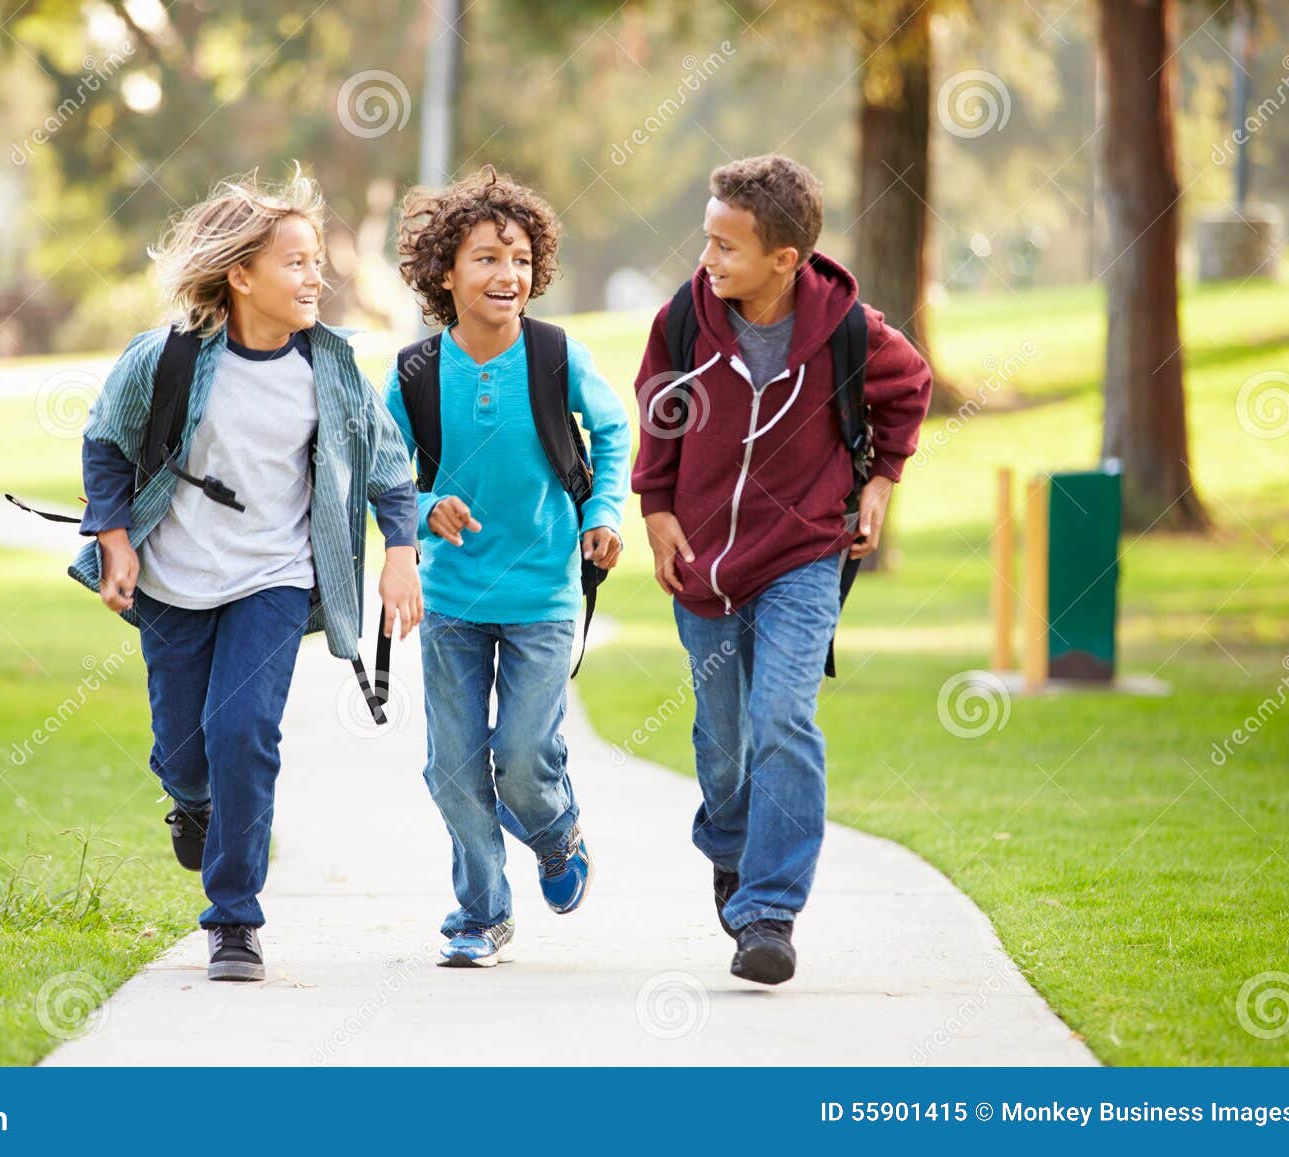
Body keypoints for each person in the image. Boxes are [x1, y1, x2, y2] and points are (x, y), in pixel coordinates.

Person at [69, 168, 424, 982]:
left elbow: (389, 464)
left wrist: (400, 550)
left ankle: (234, 919)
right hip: (173, 581)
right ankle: (191, 802)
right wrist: (115, 540)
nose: (314, 278)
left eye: (316, 263)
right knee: (185, 751)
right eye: (295, 263)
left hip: (275, 575)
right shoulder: (167, 359)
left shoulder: (329, 368)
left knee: (243, 734)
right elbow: (105, 444)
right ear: (240, 275)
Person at [631, 155, 931, 985]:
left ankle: (769, 909)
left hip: (803, 552)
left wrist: (880, 482)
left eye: (727, 247)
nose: (709, 259)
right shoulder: (684, 322)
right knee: (723, 742)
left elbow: (910, 388)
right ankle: (731, 846)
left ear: (784, 260)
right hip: (703, 562)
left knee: (784, 716)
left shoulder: (847, 330)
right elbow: (658, 411)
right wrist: (656, 510)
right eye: (706, 241)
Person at [385, 166, 631, 968]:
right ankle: (481, 912)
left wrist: (602, 515)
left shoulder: (556, 356)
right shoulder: (415, 371)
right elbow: (382, 471)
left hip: (543, 594)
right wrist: (423, 513)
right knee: (452, 766)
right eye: (487, 258)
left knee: (523, 758)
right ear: (446, 274)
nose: (508, 274)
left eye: (521, 258)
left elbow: (614, 433)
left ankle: (556, 832)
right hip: (452, 597)